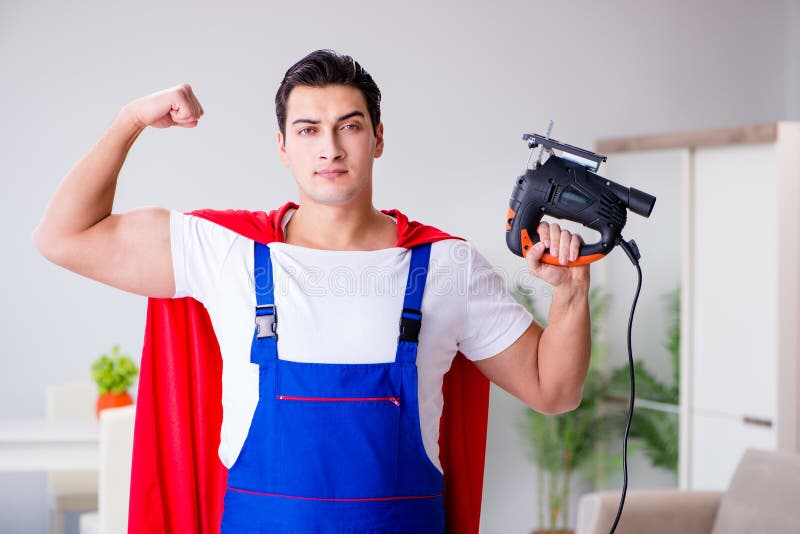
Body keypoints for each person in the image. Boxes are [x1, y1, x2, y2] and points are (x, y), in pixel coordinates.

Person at [33, 49, 591, 534]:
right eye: (308, 130)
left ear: (377, 139)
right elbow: (64, 236)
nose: (330, 148)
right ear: (283, 146)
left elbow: (554, 389)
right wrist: (130, 119)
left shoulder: (448, 266)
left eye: (349, 126)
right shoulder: (224, 252)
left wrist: (569, 294)